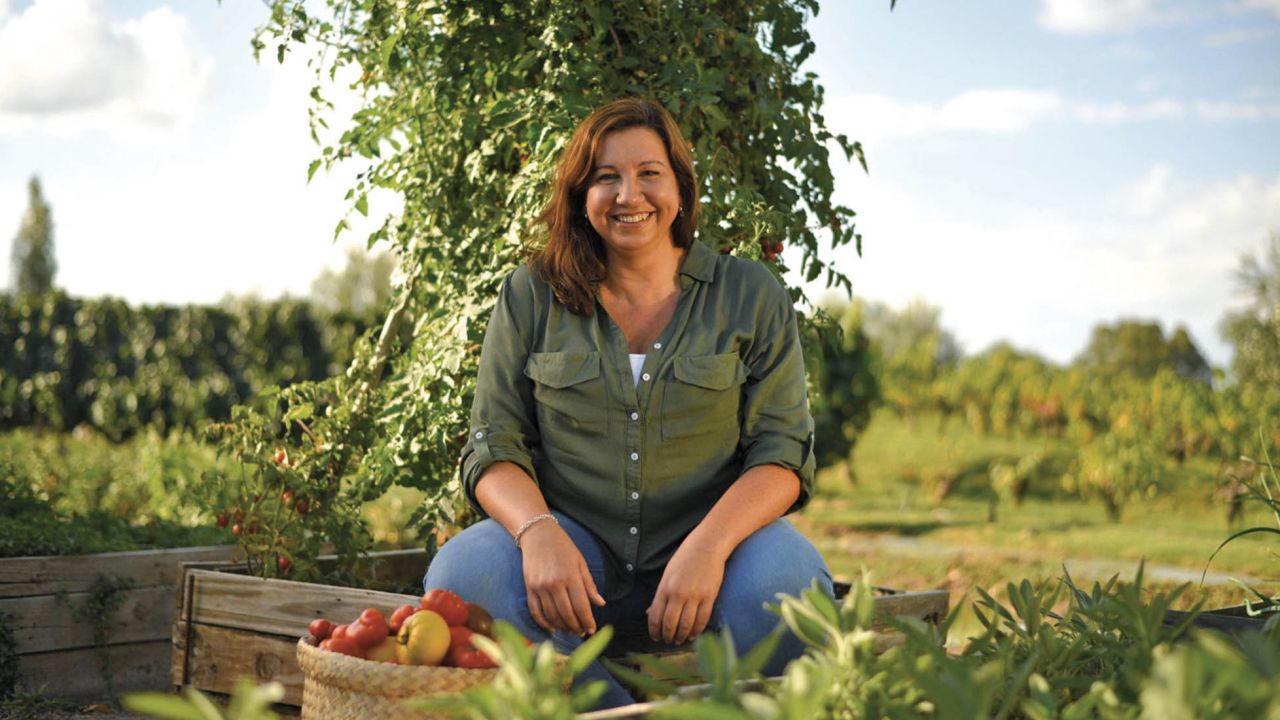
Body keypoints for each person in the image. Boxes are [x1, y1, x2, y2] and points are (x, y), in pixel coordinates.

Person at [423, 97, 832, 709]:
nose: (628, 195)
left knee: (787, 585)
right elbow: (493, 444)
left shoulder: (750, 294)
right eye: (606, 177)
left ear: (681, 188)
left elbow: (781, 453)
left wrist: (709, 545)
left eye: (649, 173)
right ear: (581, 195)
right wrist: (537, 532)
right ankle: (610, 711)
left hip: (716, 545)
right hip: (575, 547)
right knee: (465, 576)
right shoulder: (531, 295)